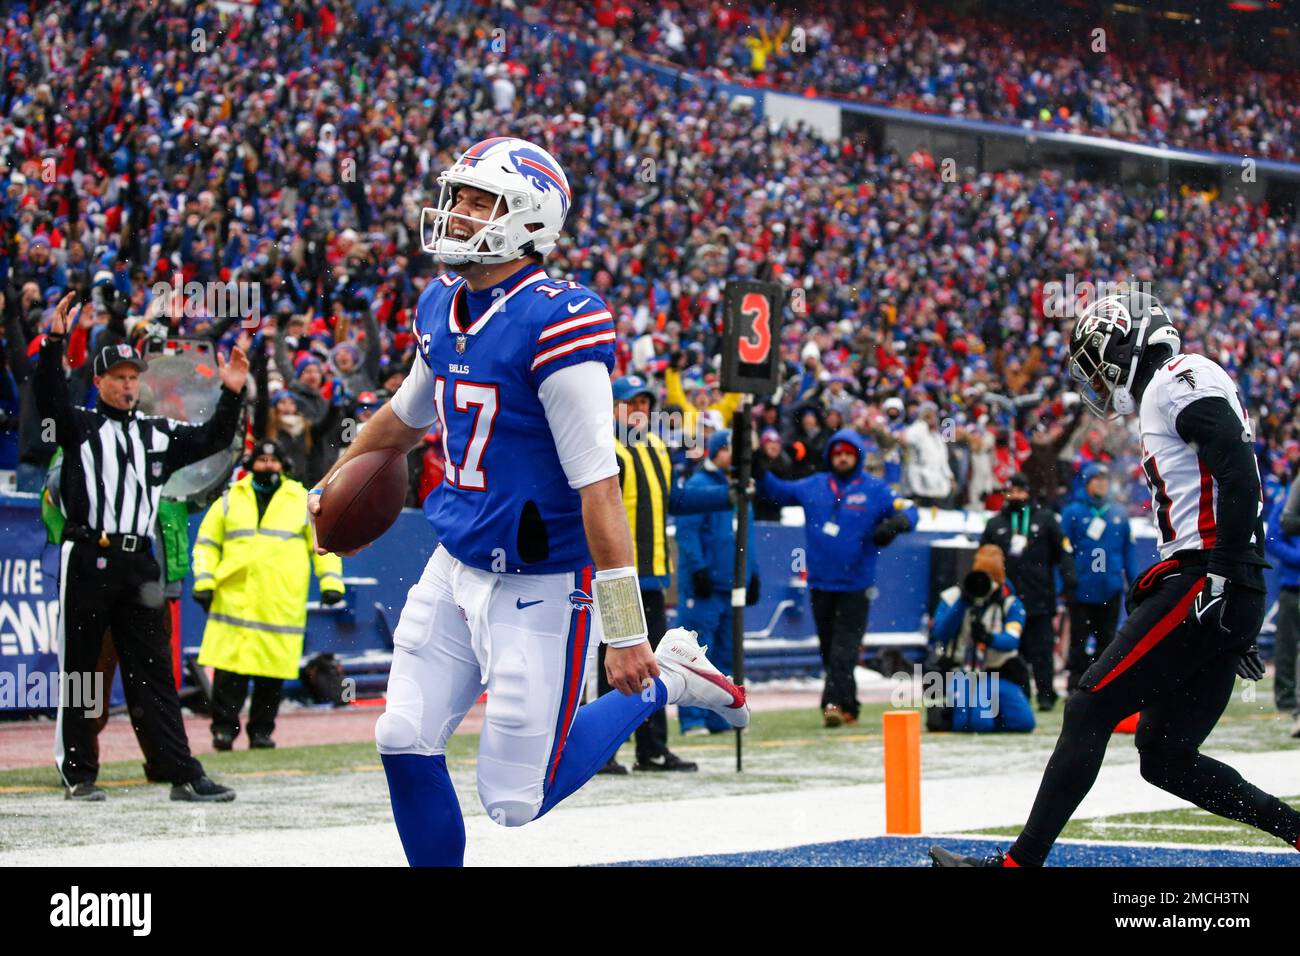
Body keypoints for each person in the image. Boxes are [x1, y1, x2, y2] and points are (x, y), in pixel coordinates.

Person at [306, 138, 749, 867]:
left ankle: (669, 678)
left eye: (479, 202)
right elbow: (404, 417)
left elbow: (598, 486)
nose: (455, 214)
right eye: (456, 197)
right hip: (454, 565)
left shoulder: (559, 320)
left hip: (544, 583)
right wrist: (334, 477)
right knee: (401, 735)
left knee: (515, 800)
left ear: (530, 219)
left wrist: (626, 633)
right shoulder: (442, 303)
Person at [932, 291, 1300, 867]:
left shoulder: (1178, 376)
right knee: (1166, 756)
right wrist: (1237, 593)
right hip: (1221, 580)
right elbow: (1226, 475)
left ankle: (1017, 866)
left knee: (1089, 706)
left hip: (1207, 575)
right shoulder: (1176, 385)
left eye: (1100, 365)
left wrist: (1226, 577)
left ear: (1129, 344)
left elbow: (1234, 465)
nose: (1100, 383)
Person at [37, 292, 247, 803]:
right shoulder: (80, 426)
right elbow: (48, 399)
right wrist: (55, 343)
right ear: (100, 383)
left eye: (134, 378)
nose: (129, 385)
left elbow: (212, 440)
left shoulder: (157, 434)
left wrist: (232, 393)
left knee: (153, 671)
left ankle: (180, 772)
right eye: (119, 378)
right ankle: (78, 771)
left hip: (138, 564)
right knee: (82, 668)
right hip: (88, 555)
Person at [594, 375, 732, 772]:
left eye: (643, 402)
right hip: (616, 578)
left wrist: (728, 493)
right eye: (629, 402)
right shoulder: (605, 447)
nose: (638, 409)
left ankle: (651, 749)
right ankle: (602, 752)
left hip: (652, 576)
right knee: (614, 669)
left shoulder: (655, 447)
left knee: (652, 667)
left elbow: (676, 499)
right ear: (612, 407)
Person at [757, 429, 918, 726]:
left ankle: (831, 703)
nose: (842, 458)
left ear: (856, 456)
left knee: (844, 646)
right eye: (837, 453)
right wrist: (758, 466)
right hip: (820, 582)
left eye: (848, 453)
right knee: (829, 647)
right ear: (831, 456)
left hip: (856, 583)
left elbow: (909, 509)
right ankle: (850, 706)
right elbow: (778, 492)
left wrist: (896, 524)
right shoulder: (815, 485)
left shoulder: (875, 488)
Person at [193, 440, 346, 750]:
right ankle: (223, 730)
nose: (267, 466)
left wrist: (331, 582)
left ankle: (261, 732)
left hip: (279, 604)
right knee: (228, 673)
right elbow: (207, 543)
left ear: (283, 465)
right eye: (261, 460)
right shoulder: (229, 499)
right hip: (233, 601)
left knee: (271, 676)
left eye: (272, 461)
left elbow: (322, 543)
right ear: (251, 465)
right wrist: (204, 582)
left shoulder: (300, 500)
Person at [674, 429, 759, 735]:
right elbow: (688, 531)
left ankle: (721, 716)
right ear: (715, 451)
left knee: (726, 654)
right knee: (695, 655)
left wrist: (753, 573)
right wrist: (698, 569)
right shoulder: (699, 486)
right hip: (706, 585)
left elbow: (747, 534)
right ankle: (693, 719)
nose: (733, 456)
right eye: (728, 449)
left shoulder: (740, 488)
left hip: (730, 585)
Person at [980, 472, 1077, 711]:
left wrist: (1068, 579)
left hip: (1039, 596)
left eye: (1020, 491)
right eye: (1010, 491)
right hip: (1007, 600)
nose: (1015, 496)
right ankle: (1018, 695)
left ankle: (1046, 694)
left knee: (1042, 650)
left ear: (1028, 492)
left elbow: (1063, 552)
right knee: (1013, 651)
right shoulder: (995, 524)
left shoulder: (1045, 519)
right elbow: (984, 558)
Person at [928, 544, 1035, 733]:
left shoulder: (1010, 603)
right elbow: (939, 634)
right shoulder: (953, 597)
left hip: (997, 671)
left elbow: (1012, 640)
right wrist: (963, 603)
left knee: (1023, 722)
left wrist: (989, 638)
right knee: (972, 723)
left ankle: (991, 710)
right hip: (961, 670)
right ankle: (959, 710)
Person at [1059, 462, 1138, 691]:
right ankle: (1076, 684)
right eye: (1097, 479)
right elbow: (1064, 552)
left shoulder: (1119, 514)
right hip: (1081, 588)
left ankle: (1103, 684)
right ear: (1087, 482)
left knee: (1107, 641)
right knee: (1078, 641)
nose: (1102, 484)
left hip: (1110, 587)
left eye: (1105, 479)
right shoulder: (1073, 513)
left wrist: (1134, 585)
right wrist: (1064, 582)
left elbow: (1128, 553)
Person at [1265, 492, 1300, 738]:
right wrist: (1297, 558)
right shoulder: (1287, 503)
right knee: (1287, 644)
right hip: (1294, 585)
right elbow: (1272, 539)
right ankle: (1287, 699)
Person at [901, 401, 954, 507]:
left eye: (932, 414)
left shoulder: (938, 437)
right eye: (927, 414)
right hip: (918, 485)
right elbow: (906, 439)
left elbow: (942, 460)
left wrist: (950, 477)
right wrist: (922, 422)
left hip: (936, 487)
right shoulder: (917, 430)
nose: (930, 417)